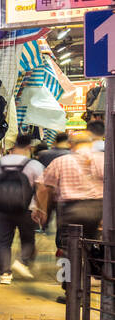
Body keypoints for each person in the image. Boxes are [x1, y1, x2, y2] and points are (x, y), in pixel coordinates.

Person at [38, 129, 104, 304]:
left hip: (70, 210)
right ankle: (86, 291)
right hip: (97, 209)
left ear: (71, 145)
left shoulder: (61, 161)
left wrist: (44, 211)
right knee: (89, 248)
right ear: (90, 143)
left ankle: (72, 294)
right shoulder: (103, 160)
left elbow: (45, 188)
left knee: (68, 253)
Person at [0, 134, 44, 284]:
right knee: (28, 239)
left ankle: (4, 274)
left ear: (13, 146)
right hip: (26, 209)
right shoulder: (33, 164)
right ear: (29, 148)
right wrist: (39, 207)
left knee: (4, 241)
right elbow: (41, 189)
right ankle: (22, 262)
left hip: (2, 209)